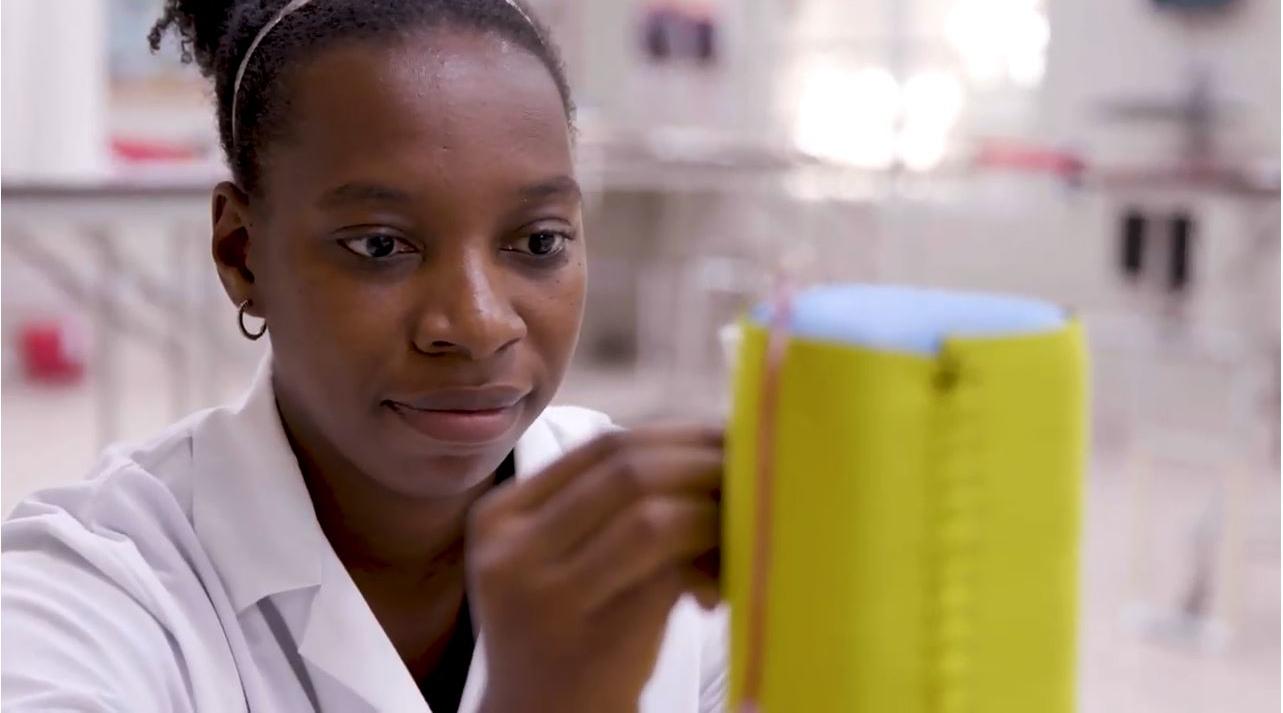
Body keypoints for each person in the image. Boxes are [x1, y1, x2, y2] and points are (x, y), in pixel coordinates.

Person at [1, 1, 727, 711]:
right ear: (241, 254)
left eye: (538, 242)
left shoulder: (685, 550)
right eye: (379, 245)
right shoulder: (84, 592)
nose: (476, 324)